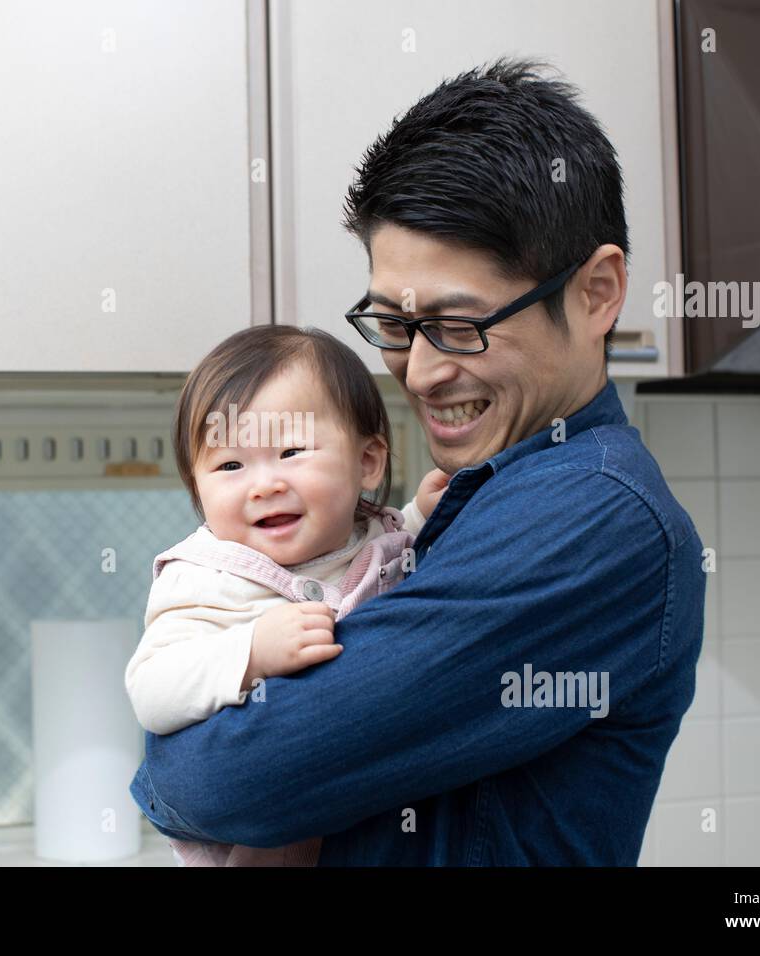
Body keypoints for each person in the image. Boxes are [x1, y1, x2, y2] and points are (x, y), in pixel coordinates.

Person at [129, 57, 706, 865]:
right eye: (393, 325)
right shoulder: (472, 497)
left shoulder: (593, 518)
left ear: (598, 292)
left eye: (459, 323)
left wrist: (169, 760)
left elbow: (225, 785)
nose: (421, 371)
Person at [125, 324, 449, 865]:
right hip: (262, 836)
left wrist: (423, 514)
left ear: (368, 462)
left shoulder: (376, 532)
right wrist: (251, 651)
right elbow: (152, 691)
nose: (264, 484)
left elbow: (387, 554)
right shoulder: (207, 575)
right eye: (230, 465)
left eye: (292, 450)